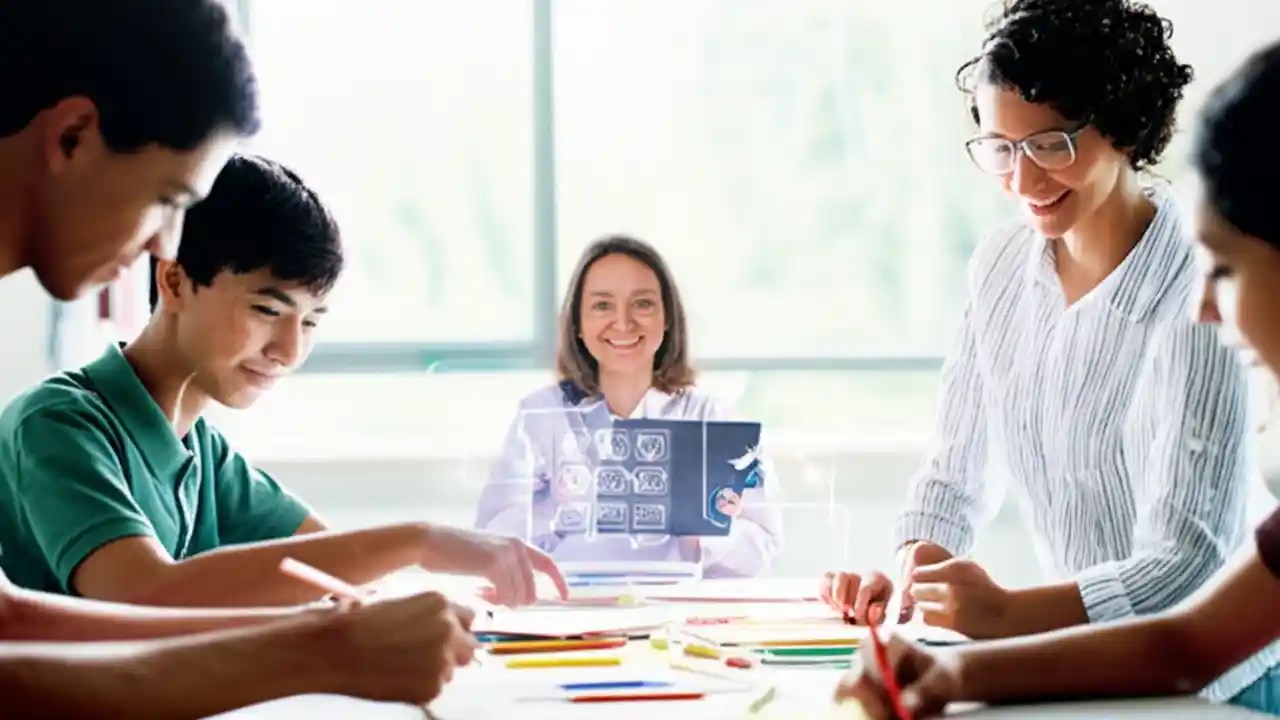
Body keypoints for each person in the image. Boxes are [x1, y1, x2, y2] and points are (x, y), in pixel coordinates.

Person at [0, 0, 473, 714]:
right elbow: (136, 601)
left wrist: (339, 627)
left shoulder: (202, 453)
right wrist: (331, 640)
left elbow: (13, 625)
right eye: (166, 199)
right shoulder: (61, 421)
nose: (166, 244)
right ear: (72, 136)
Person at [820, 0, 1276, 704]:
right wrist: (919, 577)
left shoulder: (1193, 272)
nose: (1023, 180)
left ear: (1123, 129)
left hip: (1229, 679)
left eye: (1051, 146)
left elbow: (1187, 570)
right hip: (1096, 663)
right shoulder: (1000, 264)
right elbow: (954, 472)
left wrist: (1004, 615)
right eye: (1002, 148)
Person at [0, 153, 568, 608]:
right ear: (173, 282)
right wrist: (421, 539)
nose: (290, 350)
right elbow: (145, 591)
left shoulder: (201, 451)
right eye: (268, 311)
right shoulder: (57, 425)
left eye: (312, 321)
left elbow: (329, 563)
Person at [475, 235, 783, 577]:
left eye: (643, 304)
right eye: (602, 305)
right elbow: (490, 541)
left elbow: (763, 549)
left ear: (667, 318)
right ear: (577, 323)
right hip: (570, 614)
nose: (623, 323)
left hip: (679, 614)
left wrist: (703, 529)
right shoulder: (539, 417)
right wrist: (561, 509)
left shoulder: (712, 417)